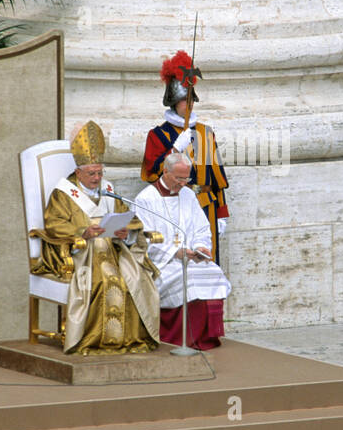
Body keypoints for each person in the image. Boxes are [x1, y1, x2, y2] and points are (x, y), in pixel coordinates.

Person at [33, 121, 161, 355]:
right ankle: (93, 341)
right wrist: (82, 233)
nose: (97, 178)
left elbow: (127, 218)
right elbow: (53, 225)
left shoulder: (108, 190)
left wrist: (127, 232)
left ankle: (129, 340)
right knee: (105, 282)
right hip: (81, 252)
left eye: (100, 173)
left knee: (135, 278)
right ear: (78, 172)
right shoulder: (63, 193)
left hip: (113, 249)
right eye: (91, 173)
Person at [141, 50, 230, 265]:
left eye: (191, 100)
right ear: (174, 102)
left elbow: (215, 179)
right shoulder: (157, 135)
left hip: (206, 207)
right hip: (175, 206)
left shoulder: (205, 133)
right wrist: (174, 149)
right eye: (184, 100)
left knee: (206, 263)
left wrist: (221, 213)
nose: (189, 104)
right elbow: (152, 174)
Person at [136, 152, 230, 350]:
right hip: (162, 263)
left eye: (186, 178)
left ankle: (206, 337)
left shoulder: (188, 194)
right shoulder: (146, 199)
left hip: (190, 258)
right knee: (191, 279)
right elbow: (143, 240)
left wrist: (201, 248)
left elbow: (201, 229)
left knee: (214, 272)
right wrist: (175, 252)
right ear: (165, 171)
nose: (183, 183)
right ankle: (185, 338)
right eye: (178, 178)